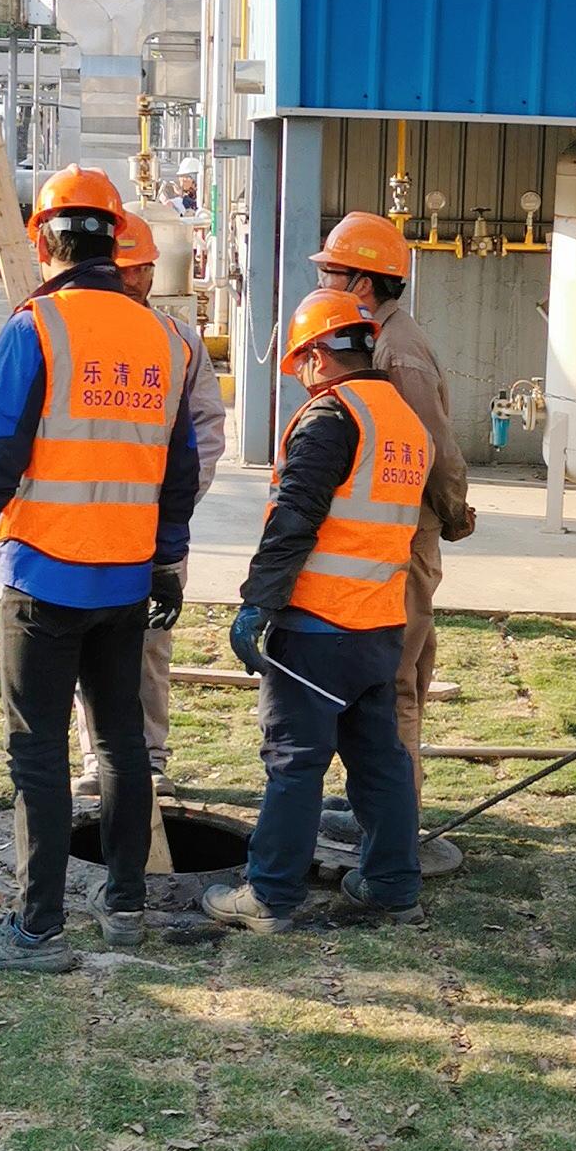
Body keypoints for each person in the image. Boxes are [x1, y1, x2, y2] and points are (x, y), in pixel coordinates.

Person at [0, 166, 200, 971]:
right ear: (112, 240)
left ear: (44, 240)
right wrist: (165, 566)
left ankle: (38, 929)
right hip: (126, 584)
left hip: (45, 582)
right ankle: (125, 905)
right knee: (121, 744)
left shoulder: (35, 330)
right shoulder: (166, 340)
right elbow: (178, 471)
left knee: (41, 755)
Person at [202, 289, 431, 936]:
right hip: (380, 624)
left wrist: (258, 604)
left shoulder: (332, 417)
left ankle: (270, 895)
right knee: (379, 760)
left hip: (317, 626)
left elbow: (295, 518)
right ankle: (392, 886)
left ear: (319, 355)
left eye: (301, 363)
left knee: (295, 761)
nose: (300, 377)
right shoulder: (403, 422)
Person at [307, 210, 475, 799]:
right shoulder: (372, 336)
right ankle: (382, 809)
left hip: (403, 540)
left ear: (364, 282)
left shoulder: (395, 351)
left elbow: (435, 447)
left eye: (331, 273)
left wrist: (452, 513)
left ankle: (393, 816)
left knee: (393, 681)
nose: (322, 282)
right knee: (388, 676)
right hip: (387, 541)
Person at [74, 208, 226, 800]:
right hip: (85, 523)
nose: (136, 280)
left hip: (155, 528)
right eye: (126, 268)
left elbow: (206, 429)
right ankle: (96, 758)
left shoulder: (178, 342)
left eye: (144, 269)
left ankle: (151, 756)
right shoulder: (77, 335)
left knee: (149, 644)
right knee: (85, 642)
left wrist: (175, 506)